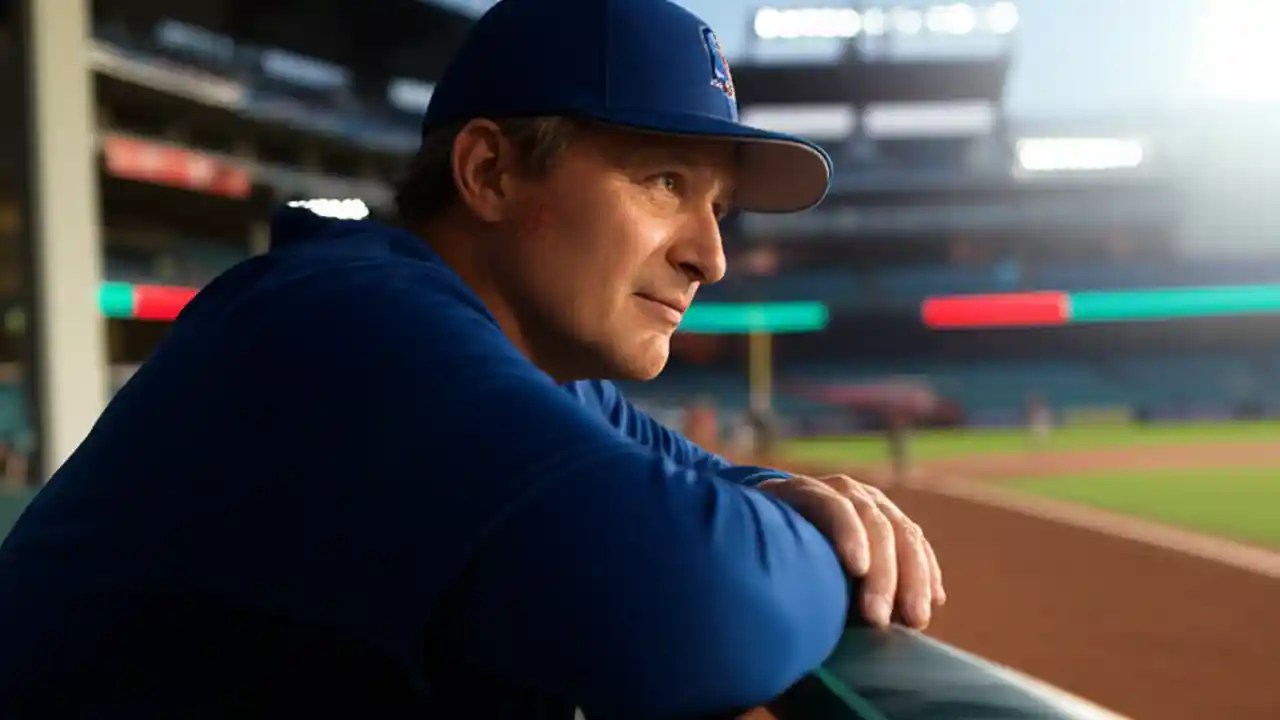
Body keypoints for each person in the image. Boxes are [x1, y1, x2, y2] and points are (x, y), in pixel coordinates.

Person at [0, 0, 944, 717]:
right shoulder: (349, 327)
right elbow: (698, 613)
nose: (712, 256)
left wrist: (773, 490)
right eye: (665, 182)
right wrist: (827, 551)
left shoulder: (523, 363)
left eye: (719, 209)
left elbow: (695, 477)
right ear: (489, 172)